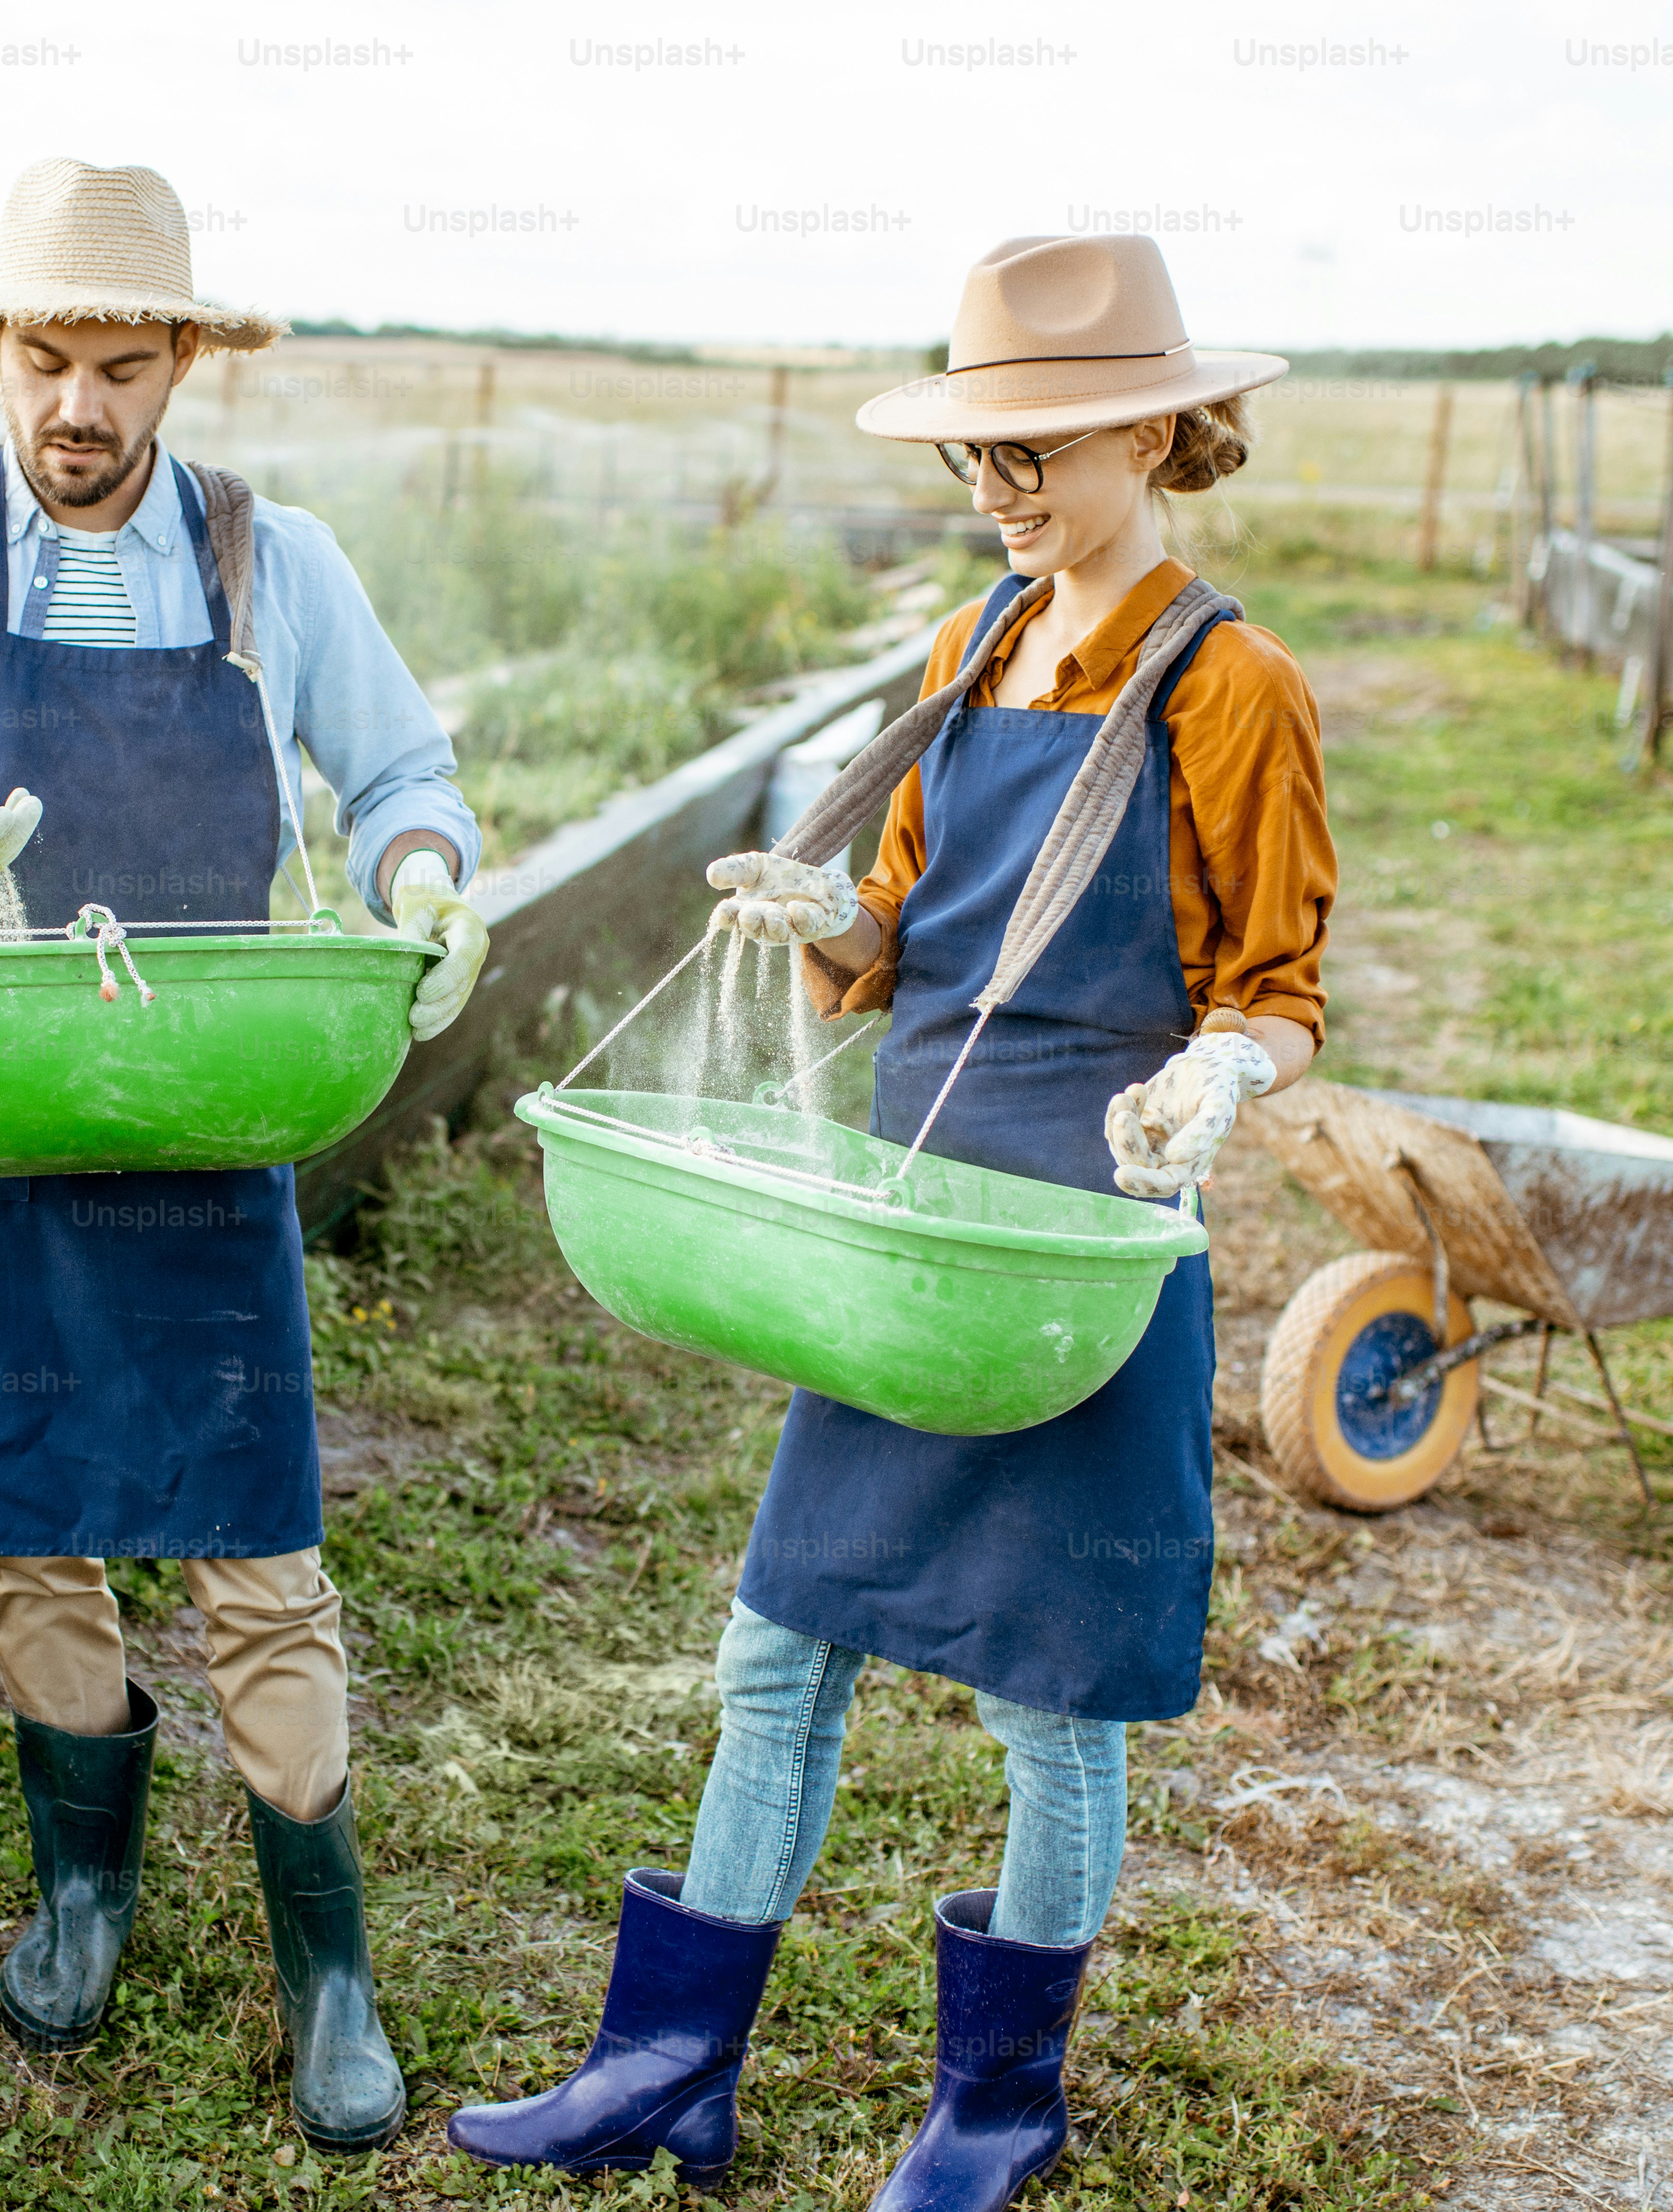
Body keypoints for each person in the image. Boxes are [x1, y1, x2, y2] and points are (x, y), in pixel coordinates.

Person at [446, 233, 1331, 2209]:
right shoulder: (967, 654)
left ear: (1158, 430)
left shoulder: (1232, 680)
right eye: (976, 454)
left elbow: (1277, 975)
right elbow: (895, 947)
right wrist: (822, 913)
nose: (1002, 489)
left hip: (1083, 1250)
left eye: (1038, 449)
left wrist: (1224, 1080)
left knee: (1047, 1698)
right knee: (782, 1650)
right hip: (915, 1233)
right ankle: (668, 2063)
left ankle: (996, 2108)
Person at [0, 157, 488, 2155]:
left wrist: (424, 876)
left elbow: (400, 772)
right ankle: (86, 1886)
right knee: (32, 1517)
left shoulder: (266, 566)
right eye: (42, 359)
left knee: (255, 1534)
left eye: (121, 367)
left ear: (181, 369)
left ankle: (330, 1962)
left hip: (192, 1109)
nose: (77, 407)